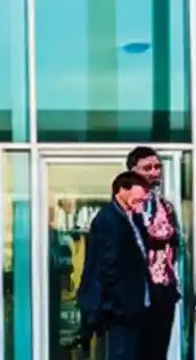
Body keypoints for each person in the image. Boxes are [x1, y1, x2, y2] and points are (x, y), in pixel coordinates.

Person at [77, 171, 152, 359]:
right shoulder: (109, 219)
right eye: (138, 196)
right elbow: (107, 265)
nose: (141, 202)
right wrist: (116, 305)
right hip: (120, 310)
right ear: (122, 190)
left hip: (132, 307)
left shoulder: (132, 218)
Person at [126, 146, 180, 360]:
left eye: (157, 167)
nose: (154, 172)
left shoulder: (166, 206)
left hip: (163, 291)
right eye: (147, 167)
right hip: (133, 292)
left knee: (158, 352)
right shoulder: (124, 206)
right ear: (132, 171)